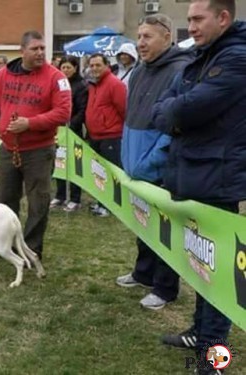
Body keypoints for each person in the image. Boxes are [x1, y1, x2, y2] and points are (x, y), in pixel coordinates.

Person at [152, 1, 246, 372]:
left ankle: (214, 355)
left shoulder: (237, 58)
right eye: (188, 19)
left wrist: (175, 115)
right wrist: (175, 115)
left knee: (218, 271)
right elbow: (165, 108)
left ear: (223, 18)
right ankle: (199, 331)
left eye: (197, 18)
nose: (189, 26)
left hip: (217, 179)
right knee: (200, 262)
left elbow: (180, 110)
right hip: (196, 173)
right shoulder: (201, 57)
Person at [0, 30, 71, 260]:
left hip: (39, 150)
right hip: (8, 150)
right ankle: (2, 245)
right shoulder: (4, 75)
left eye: (43, 48)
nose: (41, 53)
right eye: (35, 49)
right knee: (5, 200)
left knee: (38, 201)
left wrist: (30, 123)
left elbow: (63, 113)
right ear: (21, 51)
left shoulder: (56, 78)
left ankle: (31, 249)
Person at [116, 14, 194, 310]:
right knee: (142, 223)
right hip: (136, 167)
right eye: (139, 37)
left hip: (160, 169)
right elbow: (130, 118)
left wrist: (151, 161)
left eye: (147, 37)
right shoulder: (138, 71)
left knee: (164, 230)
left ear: (166, 36)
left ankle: (165, 288)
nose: (140, 43)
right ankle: (143, 273)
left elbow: (175, 128)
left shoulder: (181, 70)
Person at [85, 53, 127, 217]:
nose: (94, 68)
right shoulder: (93, 85)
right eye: (92, 65)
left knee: (111, 172)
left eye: (98, 65)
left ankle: (112, 205)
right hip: (95, 136)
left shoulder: (115, 84)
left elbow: (123, 110)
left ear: (107, 65)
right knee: (99, 172)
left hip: (111, 135)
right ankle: (102, 202)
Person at [49, 55, 88, 212]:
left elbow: (82, 109)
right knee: (59, 162)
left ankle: (75, 198)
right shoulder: (57, 84)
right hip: (58, 131)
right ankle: (60, 195)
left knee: (74, 165)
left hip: (73, 131)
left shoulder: (81, 86)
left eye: (68, 67)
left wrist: (71, 125)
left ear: (75, 68)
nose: (65, 70)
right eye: (63, 67)